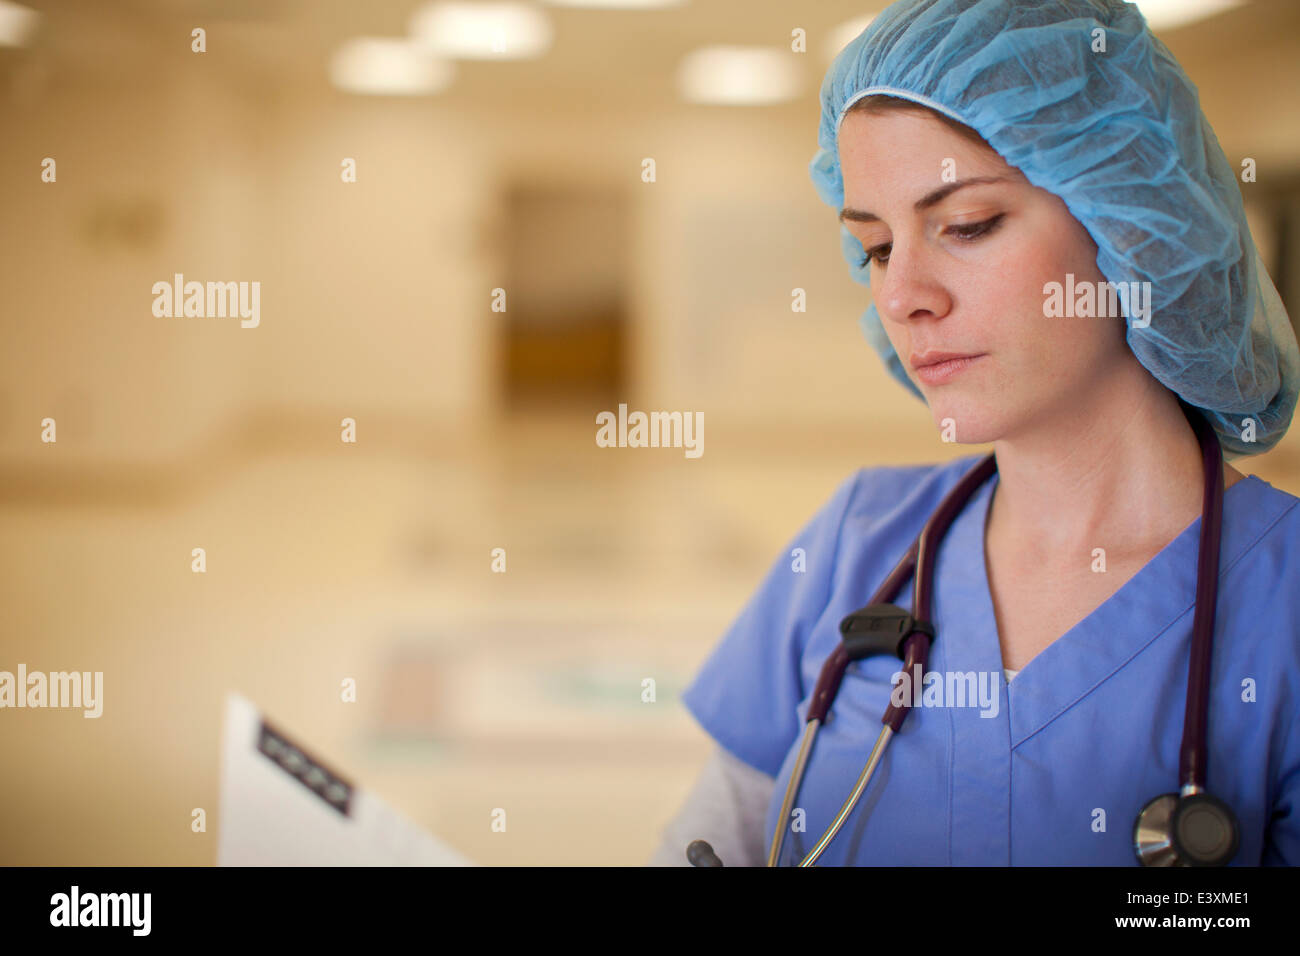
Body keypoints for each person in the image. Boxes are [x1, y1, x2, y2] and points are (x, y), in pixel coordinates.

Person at [651, 0, 1300, 866]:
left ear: (1129, 224)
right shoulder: (858, 543)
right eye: (878, 247)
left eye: (966, 226)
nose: (900, 293)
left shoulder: (1282, 607)